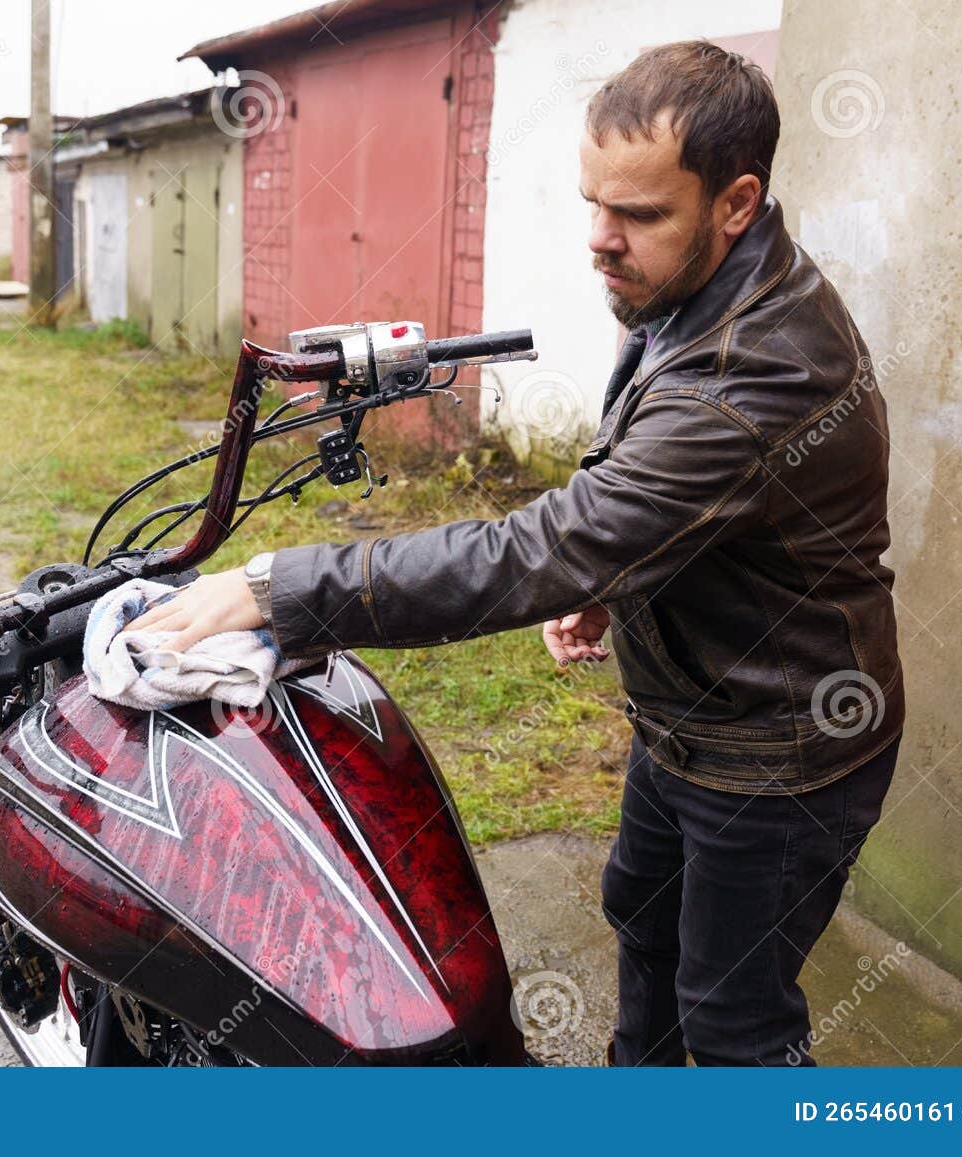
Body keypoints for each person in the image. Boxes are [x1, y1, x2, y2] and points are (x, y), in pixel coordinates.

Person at [125, 40, 903, 1067]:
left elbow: (539, 548)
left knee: (735, 1021)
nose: (599, 239)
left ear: (736, 200)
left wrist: (277, 585)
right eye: (593, 201)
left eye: (638, 213)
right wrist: (620, 579)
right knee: (644, 922)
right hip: (694, 714)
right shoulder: (699, 287)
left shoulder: (758, 374)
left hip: (776, 751)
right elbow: (650, 495)